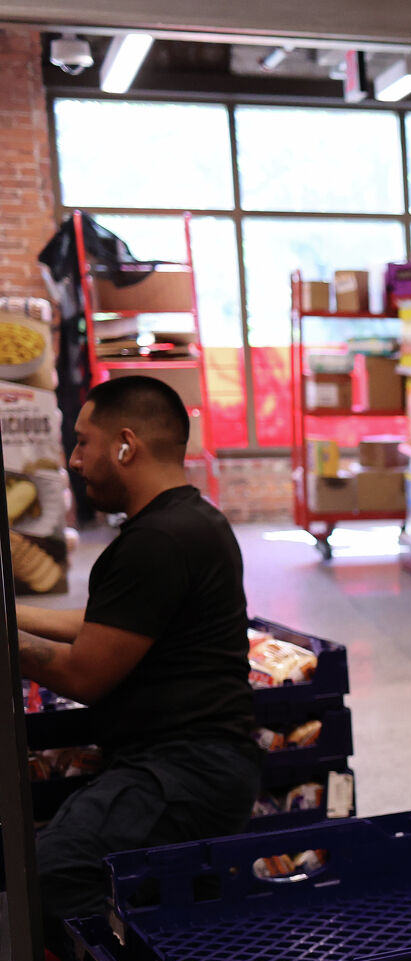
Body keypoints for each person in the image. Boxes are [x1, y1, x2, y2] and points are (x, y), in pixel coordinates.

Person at [21, 374, 258, 929]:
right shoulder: (193, 520)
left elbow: (85, 675)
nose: (75, 460)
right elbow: (112, 622)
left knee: (52, 874)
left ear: (126, 444)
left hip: (184, 771)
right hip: (199, 763)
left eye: (83, 442)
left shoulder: (154, 543)